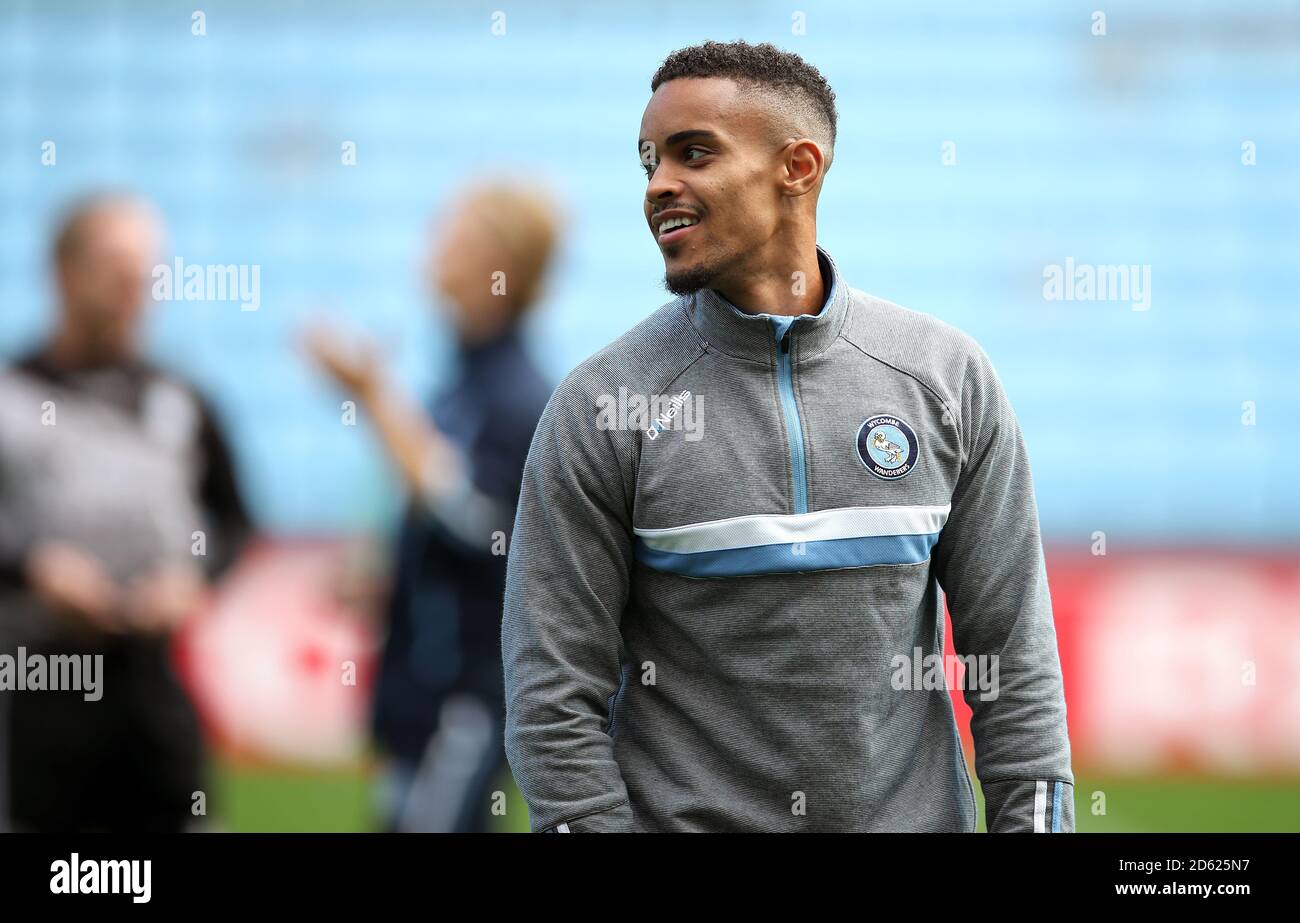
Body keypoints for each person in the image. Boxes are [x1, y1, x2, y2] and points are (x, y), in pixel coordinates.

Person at [502, 41, 1074, 832]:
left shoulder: (947, 378)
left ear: (798, 167)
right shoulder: (603, 405)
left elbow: (1013, 666)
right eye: (649, 164)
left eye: (692, 153)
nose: (660, 185)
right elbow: (551, 701)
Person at [307, 180, 554, 832]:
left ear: (499, 264)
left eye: (455, 232)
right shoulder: (459, 388)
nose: (434, 246)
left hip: (467, 695)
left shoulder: (519, 397)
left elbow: (489, 533)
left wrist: (374, 397)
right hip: (418, 687)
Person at [0, 193, 251, 831]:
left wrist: (192, 580)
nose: (134, 288)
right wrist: (34, 568)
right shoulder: (12, 397)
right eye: (115, 267)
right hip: (40, 685)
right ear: (63, 271)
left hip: (151, 691)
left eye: (146, 272)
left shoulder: (183, 401)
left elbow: (235, 524)